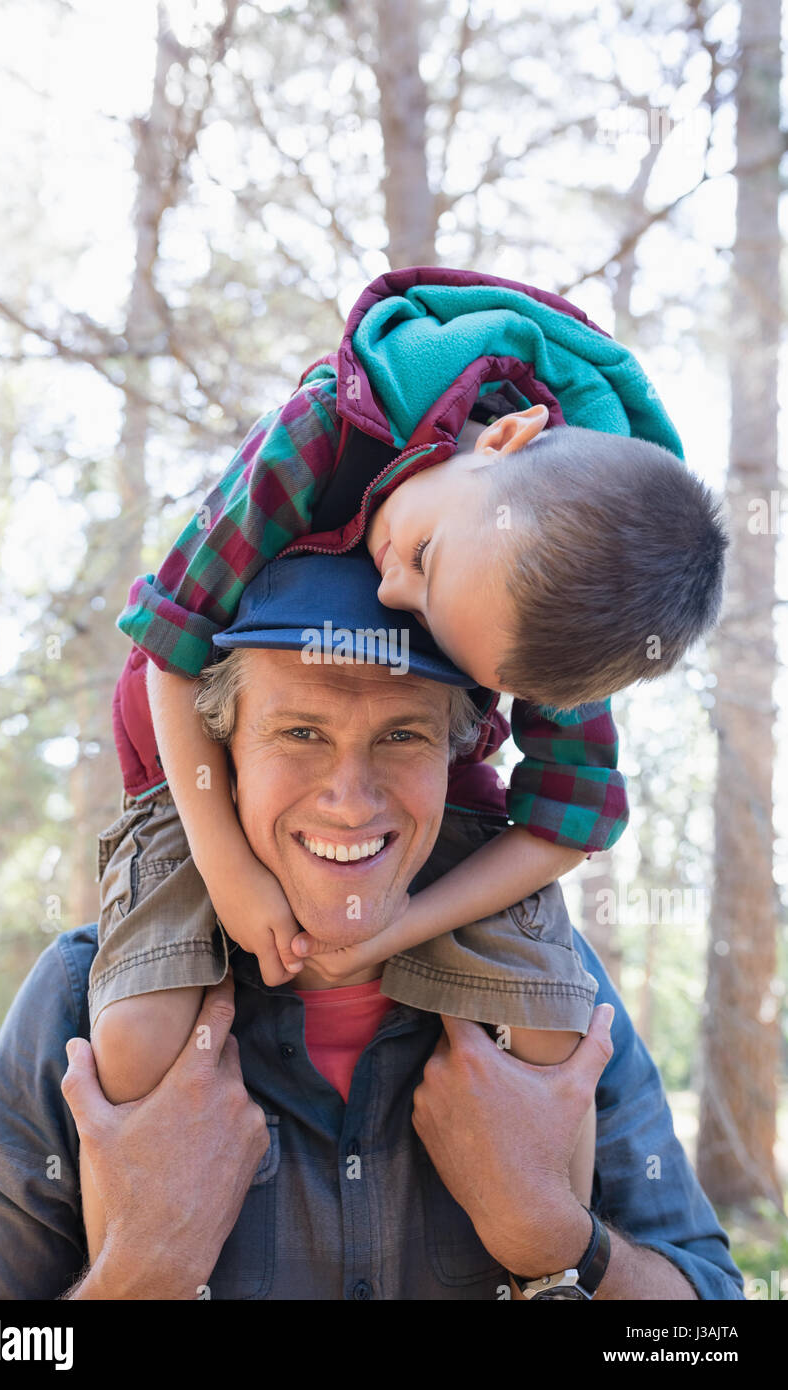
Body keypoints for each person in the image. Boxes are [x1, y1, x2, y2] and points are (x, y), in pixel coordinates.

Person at [88, 267, 727, 1258]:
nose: (387, 583)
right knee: (133, 1031)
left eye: (424, 615)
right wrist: (231, 869)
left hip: (432, 802)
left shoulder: (563, 605)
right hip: (200, 762)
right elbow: (168, 646)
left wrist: (401, 921)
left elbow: (565, 818)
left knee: (550, 1031)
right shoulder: (323, 429)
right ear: (503, 438)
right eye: (422, 559)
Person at [0, 553, 743, 1300]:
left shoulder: (559, 994)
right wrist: (138, 1269)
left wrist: (558, 1237)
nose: (350, 799)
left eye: (402, 735)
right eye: (300, 734)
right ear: (224, 755)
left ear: (453, 755)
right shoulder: (81, 1000)